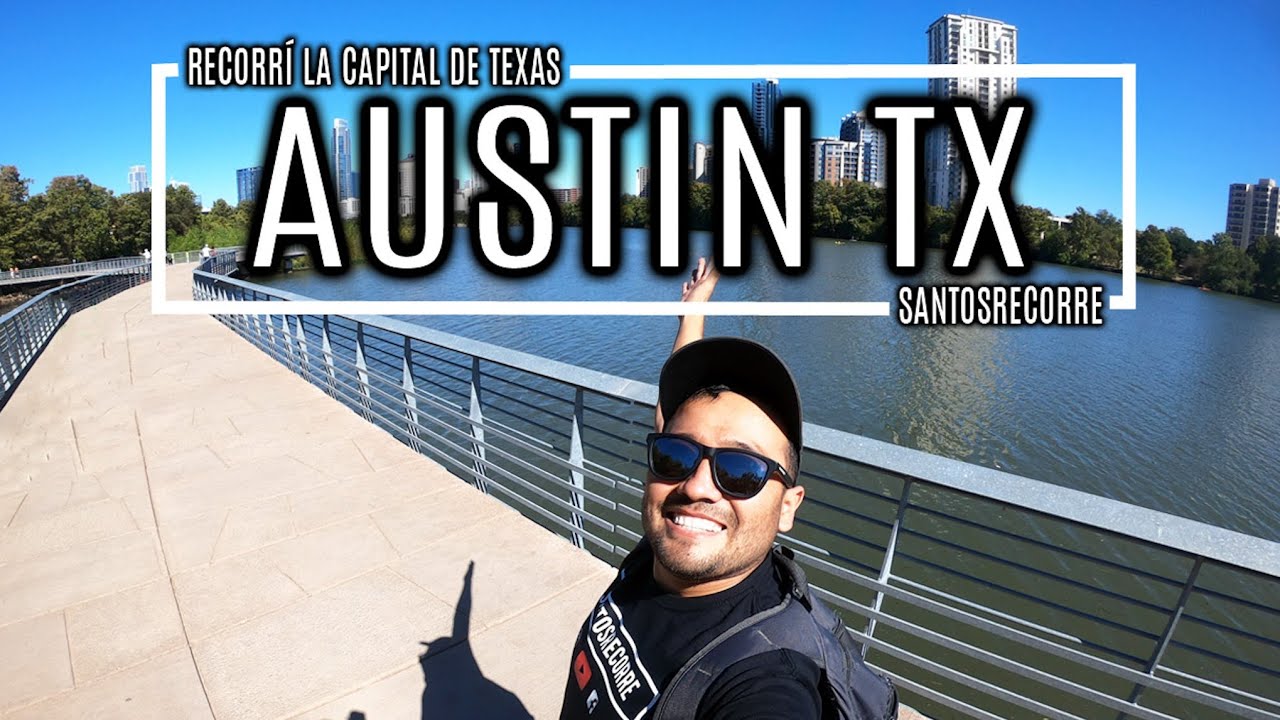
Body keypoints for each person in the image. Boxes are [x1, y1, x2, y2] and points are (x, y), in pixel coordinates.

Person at [560, 261, 897, 720]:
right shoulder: (664, 551)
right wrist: (694, 310)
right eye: (676, 457)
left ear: (787, 508)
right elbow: (673, 418)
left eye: (741, 471)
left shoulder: (767, 673)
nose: (696, 485)